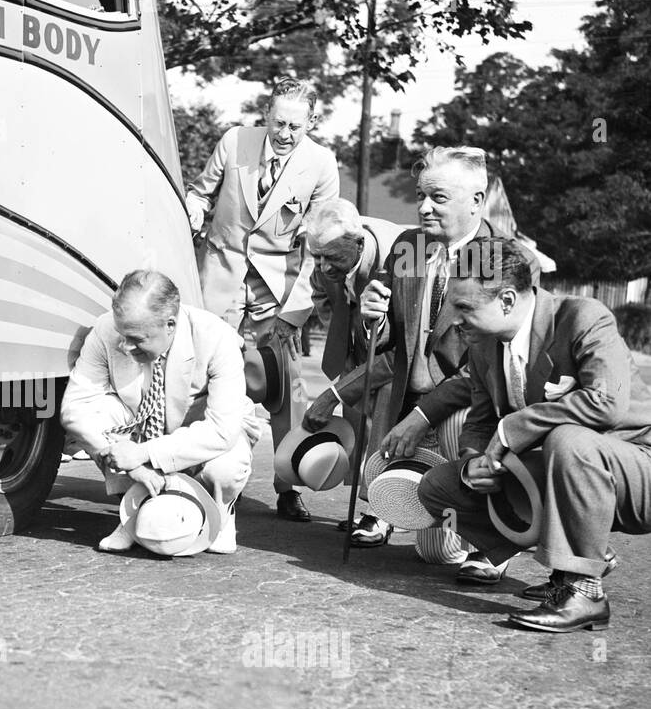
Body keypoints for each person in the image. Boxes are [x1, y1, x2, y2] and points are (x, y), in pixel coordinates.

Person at [417, 238, 651, 632]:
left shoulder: (584, 317)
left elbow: (606, 403)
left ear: (507, 300)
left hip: (637, 468)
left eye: (464, 308)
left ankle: (585, 590)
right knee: (439, 486)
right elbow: (479, 422)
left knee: (568, 440)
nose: (452, 320)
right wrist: (476, 461)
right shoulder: (481, 347)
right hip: (570, 474)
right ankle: (580, 559)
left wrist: (515, 426)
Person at [336, 146, 502, 577]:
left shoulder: (501, 260)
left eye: (439, 198)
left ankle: (493, 540)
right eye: (421, 196)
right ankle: (387, 511)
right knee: (436, 554)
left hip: (468, 409)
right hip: (406, 396)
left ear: (477, 202)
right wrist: (370, 316)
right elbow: (386, 337)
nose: (424, 208)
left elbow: (484, 368)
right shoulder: (410, 246)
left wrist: (424, 416)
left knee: (456, 421)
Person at [186, 77, 340, 523]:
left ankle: (287, 485)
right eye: (278, 122)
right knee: (203, 375)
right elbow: (200, 192)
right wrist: (195, 210)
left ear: (312, 121)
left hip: (278, 290)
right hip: (220, 276)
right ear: (266, 116)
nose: (285, 133)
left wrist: (295, 313)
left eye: (295, 125)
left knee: (286, 388)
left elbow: (322, 241)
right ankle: (192, 474)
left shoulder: (322, 164)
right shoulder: (234, 141)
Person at [61, 269, 255, 554]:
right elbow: (75, 409)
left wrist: (143, 453)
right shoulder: (105, 330)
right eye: (122, 334)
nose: (126, 346)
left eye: (137, 339)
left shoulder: (217, 337)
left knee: (224, 468)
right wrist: (132, 466)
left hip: (199, 430)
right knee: (96, 418)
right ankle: (134, 508)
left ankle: (221, 512)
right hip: (138, 426)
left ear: (170, 324)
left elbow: (221, 431)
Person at [299, 199, 405, 543]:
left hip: (401, 352)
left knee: (385, 406)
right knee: (358, 414)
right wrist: (347, 341)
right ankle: (372, 506)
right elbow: (321, 294)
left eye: (332, 257)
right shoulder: (326, 253)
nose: (323, 266)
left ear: (358, 244)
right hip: (361, 339)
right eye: (317, 257)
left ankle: (382, 512)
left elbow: (397, 355)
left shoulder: (401, 259)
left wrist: (336, 392)